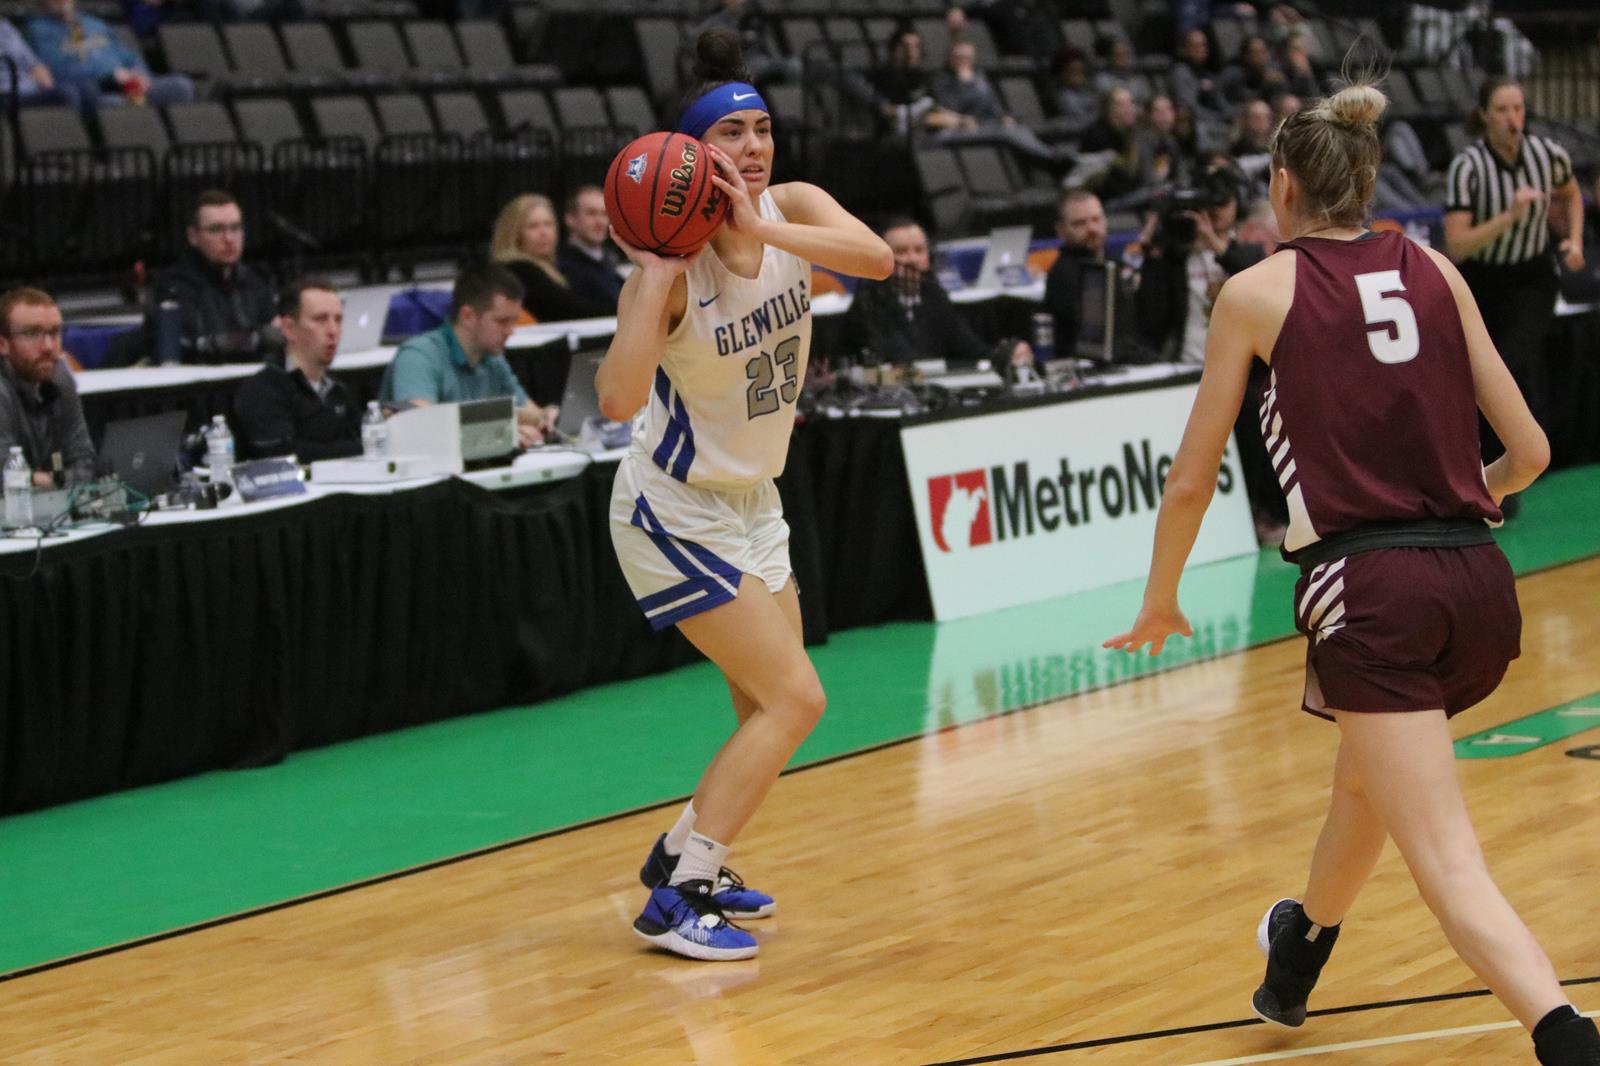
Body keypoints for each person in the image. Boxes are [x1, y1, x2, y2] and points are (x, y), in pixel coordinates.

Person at [1104, 81, 1600, 1066]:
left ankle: (1567, 1037)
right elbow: (1532, 450)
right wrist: (1469, 496)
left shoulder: (1254, 291)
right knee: (1366, 788)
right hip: (1478, 584)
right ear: (1367, 180)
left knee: (1447, 862)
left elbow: (1194, 474)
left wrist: (1160, 595)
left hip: (1367, 591)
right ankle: (1295, 955)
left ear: (1281, 185)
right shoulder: (1433, 270)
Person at [596, 26, 892, 962]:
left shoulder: (792, 208)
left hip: (754, 499)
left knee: (758, 699)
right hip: (671, 506)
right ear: (690, 155)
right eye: (732, 136)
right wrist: (648, 286)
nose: (755, 147)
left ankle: (689, 852)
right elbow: (613, 399)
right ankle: (679, 898)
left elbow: (878, 259)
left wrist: (763, 227)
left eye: (762, 129)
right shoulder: (672, 272)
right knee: (795, 700)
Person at [1444, 75, 1584, 489]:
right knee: (1486, 373)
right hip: (1482, 281)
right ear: (1485, 115)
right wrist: (1509, 217)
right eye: (1503, 110)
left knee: (1506, 364)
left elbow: (1573, 193)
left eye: (1518, 109)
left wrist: (1574, 240)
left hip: (1533, 277)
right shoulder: (1467, 167)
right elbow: (1457, 245)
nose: (1513, 119)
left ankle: (1513, 474)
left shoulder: (1548, 154)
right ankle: (1495, 469)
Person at [380, 263, 556, 448]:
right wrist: (502, 433)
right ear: (467, 316)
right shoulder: (418, 356)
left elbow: (530, 413)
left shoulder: (493, 358)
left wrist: (545, 419)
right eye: (502, 321)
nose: (511, 331)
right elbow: (420, 423)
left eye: (513, 321)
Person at [839, 217, 1030, 367]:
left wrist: (1005, 355)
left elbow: (968, 347)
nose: (912, 259)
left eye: (919, 250)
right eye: (901, 252)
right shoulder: (869, 302)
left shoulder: (934, 296)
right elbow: (898, 357)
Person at [1136, 164, 1264, 362]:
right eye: (1207, 202)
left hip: (1238, 367)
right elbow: (1152, 317)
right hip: (1187, 364)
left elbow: (1257, 289)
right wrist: (1154, 252)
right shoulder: (1177, 257)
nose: (1214, 209)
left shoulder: (1249, 253)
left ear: (1238, 203)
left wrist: (1213, 242)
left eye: (1223, 201)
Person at [144, 189, 282, 366]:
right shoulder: (174, 286)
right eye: (216, 229)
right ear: (193, 236)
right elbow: (192, 345)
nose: (229, 238)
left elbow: (277, 334)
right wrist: (257, 339)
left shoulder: (255, 280)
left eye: (235, 228)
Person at [232, 280, 363, 462]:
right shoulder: (263, 390)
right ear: (289, 328)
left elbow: (361, 439)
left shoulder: (338, 389)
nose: (333, 330)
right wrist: (361, 449)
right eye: (320, 320)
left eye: (338, 320)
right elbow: (283, 455)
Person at [0, 286, 94, 486]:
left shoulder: (60, 379)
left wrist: (43, 481)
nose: (48, 347)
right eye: (32, 333)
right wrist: (57, 481)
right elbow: (4, 476)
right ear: (3, 344)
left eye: (54, 333)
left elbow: (85, 463)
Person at [24, 0, 194, 108]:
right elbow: (59, 72)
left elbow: (130, 57)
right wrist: (110, 78)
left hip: (132, 85)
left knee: (180, 86)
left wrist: (141, 76)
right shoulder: (38, 31)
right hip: (100, 92)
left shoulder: (94, 23)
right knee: (115, 104)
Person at [1043, 189, 1144, 364]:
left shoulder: (1116, 263)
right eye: (1080, 223)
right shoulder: (1063, 275)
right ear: (1061, 230)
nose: (1091, 228)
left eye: (1096, 219)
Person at [489, 193, 613, 323]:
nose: (544, 233)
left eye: (548, 224)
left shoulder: (550, 267)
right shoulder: (519, 269)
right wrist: (622, 311)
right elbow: (568, 309)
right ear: (514, 233)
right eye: (533, 226)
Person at [555, 185, 627, 312]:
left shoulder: (610, 262)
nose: (599, 222)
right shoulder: (561, 266)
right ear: (570, 219)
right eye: (591, 213)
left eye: (604, 214)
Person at [1, 16, 79, 106]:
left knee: (85, 88)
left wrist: (38, 69)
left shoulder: (4, 26)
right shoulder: (38, 27)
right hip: (7, 92)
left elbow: (32, 61)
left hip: (30, 87)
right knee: (66, 93)